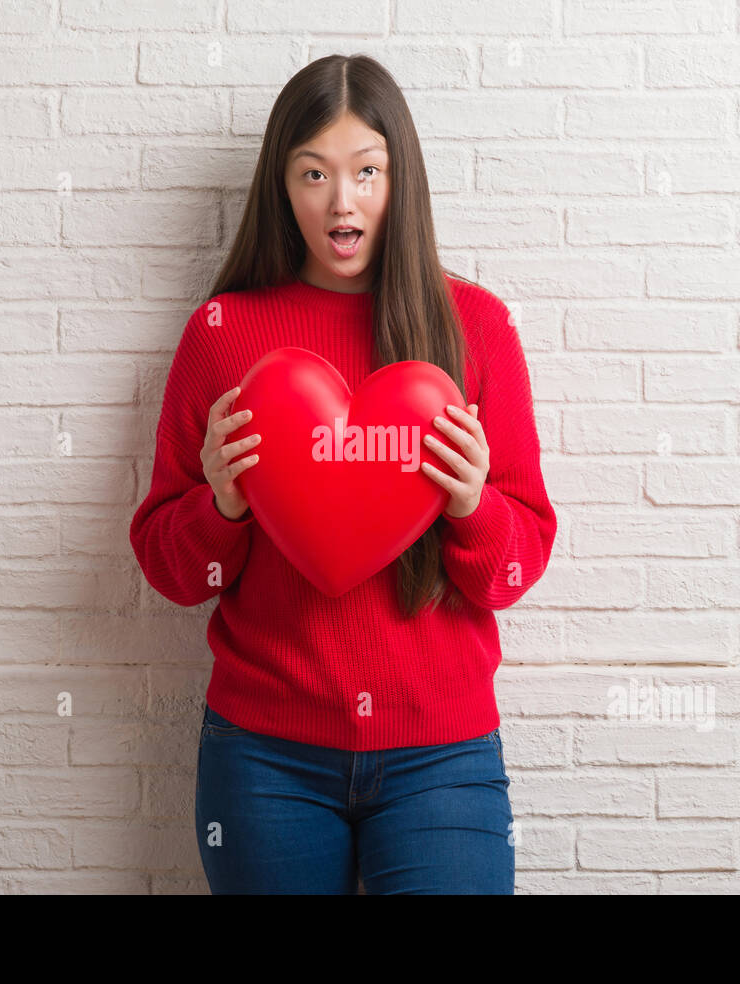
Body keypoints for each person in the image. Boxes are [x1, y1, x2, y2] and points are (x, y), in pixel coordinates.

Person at [129, 54, 557, 894]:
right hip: (263, 759)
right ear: (281, 186)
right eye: (314, 173)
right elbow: (169, 569)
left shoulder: (476, 326)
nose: (342, 200)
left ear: (402, 180)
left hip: (443, 756)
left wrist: (471, 505)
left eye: (368, 171)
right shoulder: (224, 333)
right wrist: (221, 506)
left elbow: (517, 565)